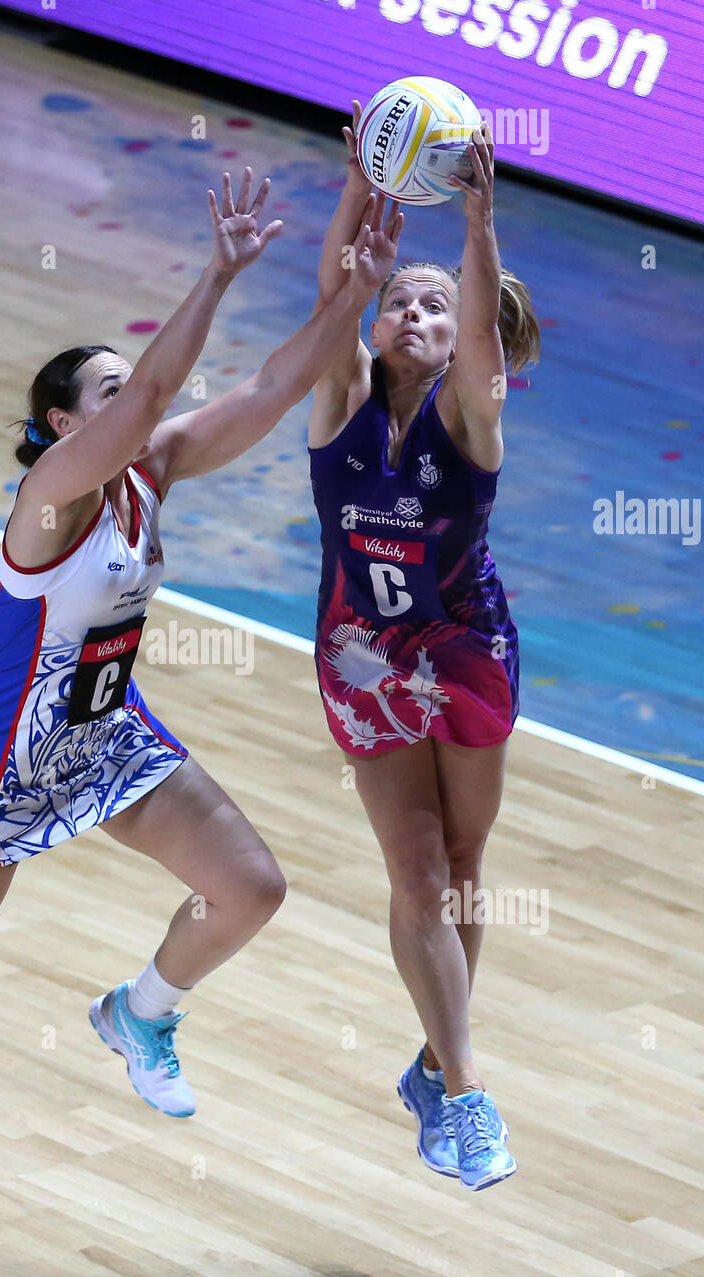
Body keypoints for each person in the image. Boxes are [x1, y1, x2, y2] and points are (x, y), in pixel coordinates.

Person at [0, 169, 404, 1239]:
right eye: (104, 391)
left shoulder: (155, 470)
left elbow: (279, 384)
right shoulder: (47, 502)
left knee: (250, 888)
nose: (135, 399)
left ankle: (137, 1013)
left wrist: (352, 292)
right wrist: (220, 271)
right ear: (59, 423)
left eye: (125, 389)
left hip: (101, 735)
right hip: (0, 760)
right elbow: (148, 398)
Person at [309, 108, 540, 1191]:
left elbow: (484, 331)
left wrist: (479, 223)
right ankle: (462, 1093)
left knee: (459, 866)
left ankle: (433, 1072)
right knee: (411, 866)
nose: (413, 307)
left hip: (465, 659)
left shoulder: (474, 420)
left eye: (436, 303)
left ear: (465, 339)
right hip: (360, 659)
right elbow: (334, 290)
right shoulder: (339, 400)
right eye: (402, 298)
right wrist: (362, 177)